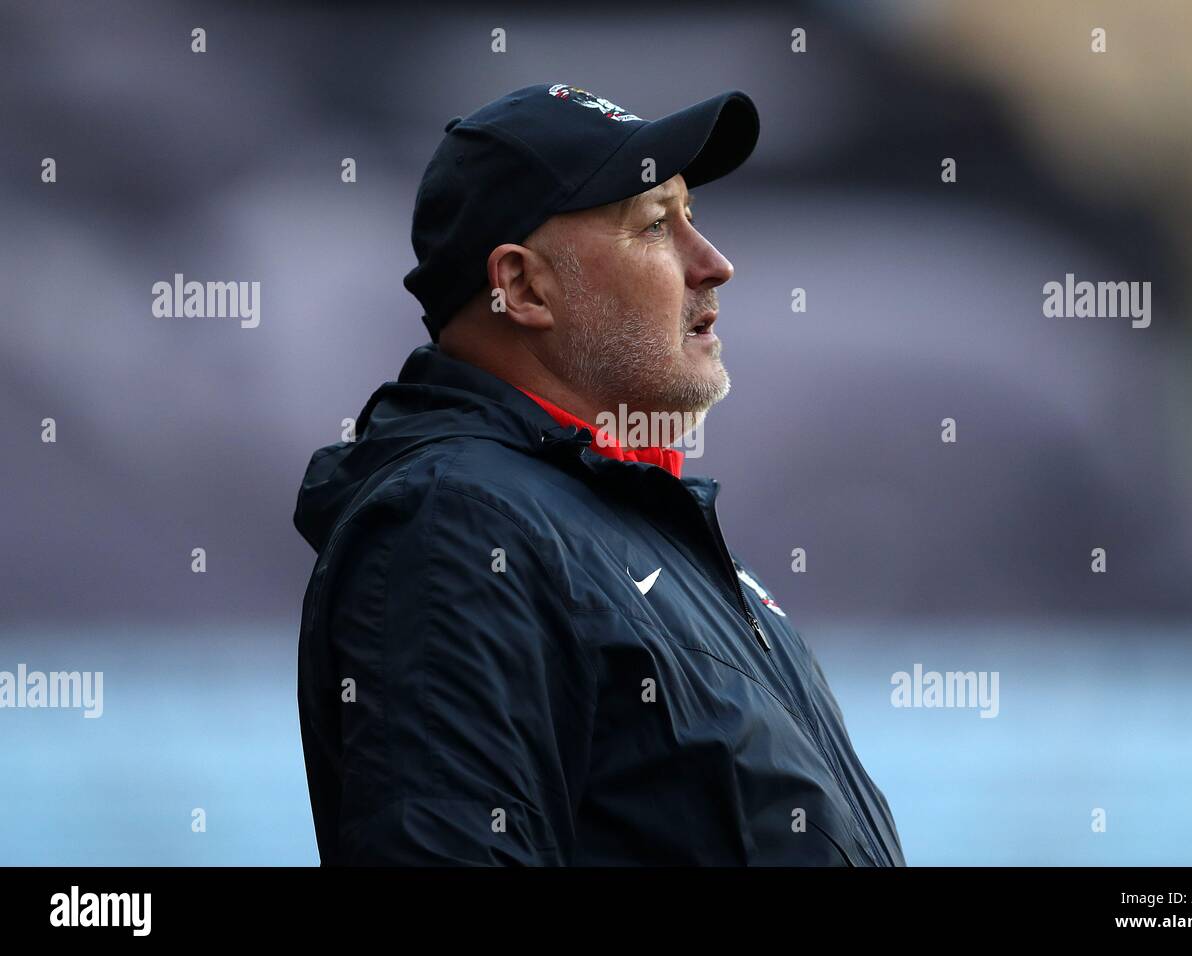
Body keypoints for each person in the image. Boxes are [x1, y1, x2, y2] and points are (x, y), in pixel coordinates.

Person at [293, 82, 906, 866]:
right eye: (654, 224)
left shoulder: (624, 523)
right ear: (521, 286)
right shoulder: (457, 527)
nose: (713, 264)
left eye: (692, 215)